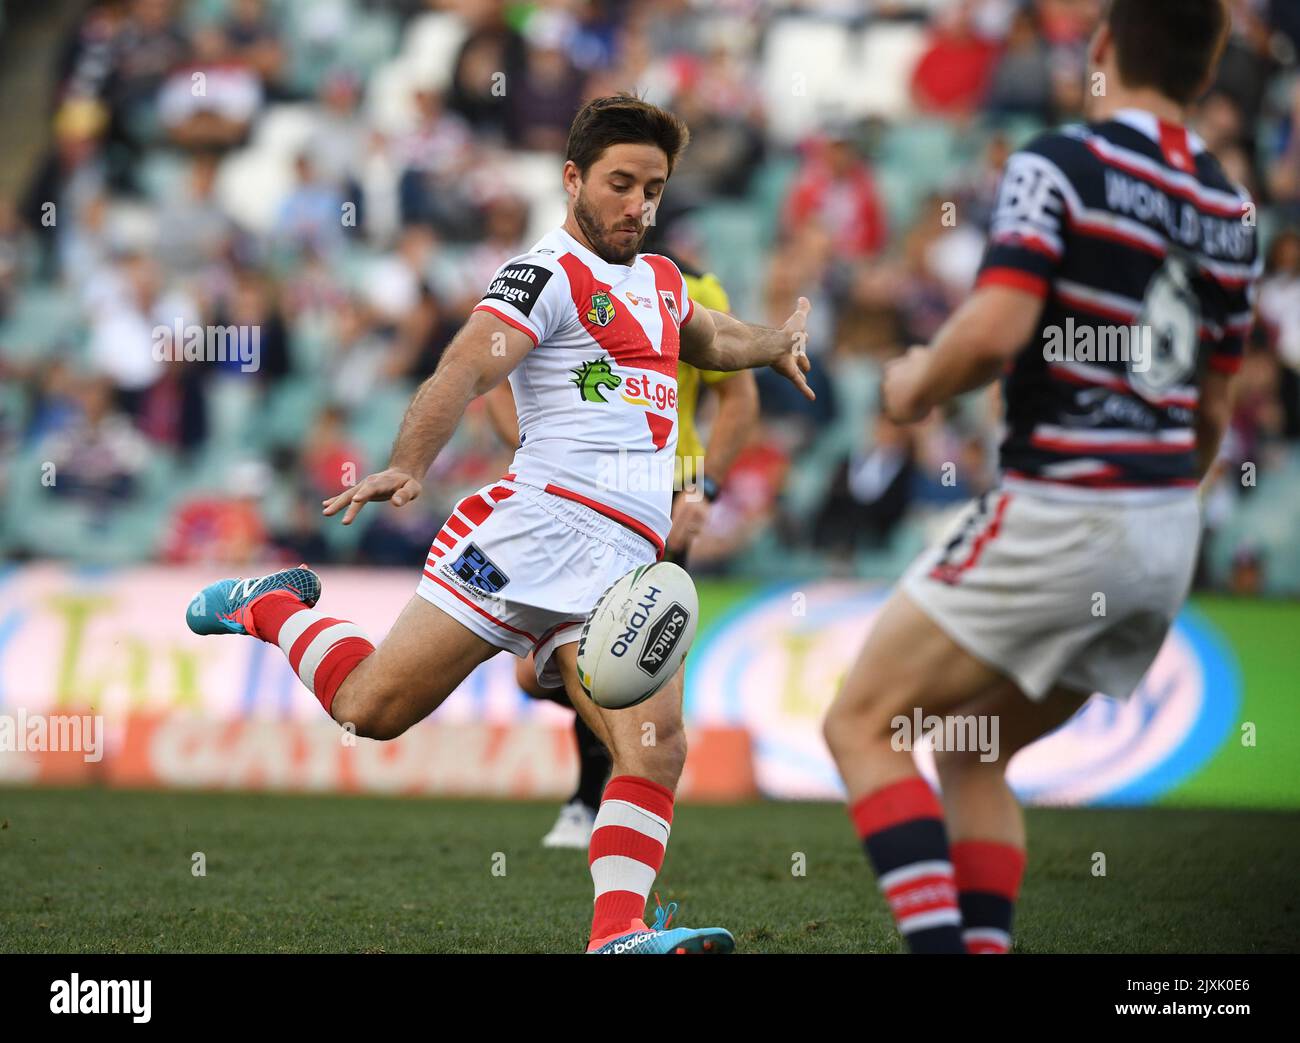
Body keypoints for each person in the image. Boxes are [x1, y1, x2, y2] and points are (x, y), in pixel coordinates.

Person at [185, 93, 812, 955]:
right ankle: (271, 606)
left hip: (625, 564)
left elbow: (706, 339)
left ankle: (616, 934)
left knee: (656, 748)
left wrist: (772, 343)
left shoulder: (664, 280)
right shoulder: (544, 274)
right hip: (529, 537)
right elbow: (459, 372)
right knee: (371, 710)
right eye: (621, 184)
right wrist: (410, 462)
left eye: (654, 187)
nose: (639, 204)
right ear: (572, 180)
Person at [823, 0, 1259, 954]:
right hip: (1161, 534)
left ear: (1101, 50)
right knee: (977, 748)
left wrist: (910, 384)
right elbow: (1214, 419)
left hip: (1065, 509)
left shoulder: (1061, 163)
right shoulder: (1233, 211)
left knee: (862, 722)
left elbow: (994, 330)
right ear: (1209, 63)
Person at [483, 256, 758, 849]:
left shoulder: (692, 287)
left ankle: (592, 802)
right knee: (539, 678)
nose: (636, 210)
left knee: (615, 652)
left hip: (659, 493)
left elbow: (739, 400)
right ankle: (629, 764)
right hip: (571, 498)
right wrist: (541, 455)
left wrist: (704, 488)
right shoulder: (563, 282)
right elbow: (496, 385)